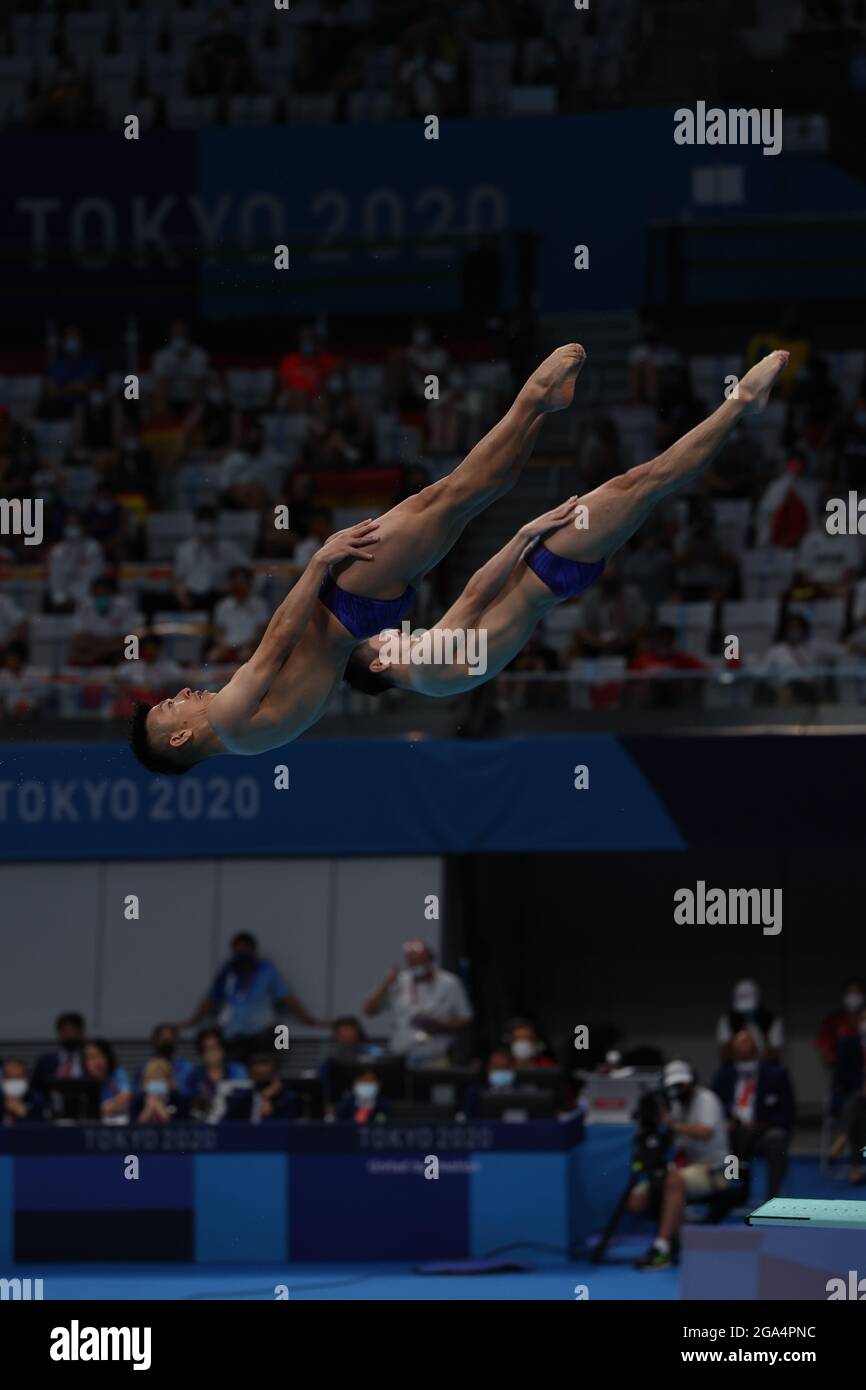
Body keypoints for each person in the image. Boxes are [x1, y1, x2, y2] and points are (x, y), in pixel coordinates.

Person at [130, 345, 586, 772]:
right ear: (179, 738)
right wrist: (318, 564)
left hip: (361, 617)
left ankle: (540, 411)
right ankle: (534, 397)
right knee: (449, 497)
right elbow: (277, 643)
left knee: (460, 504)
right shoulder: (229, 716)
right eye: (172, 706)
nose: (183, 693)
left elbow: (315, 671)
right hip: (346, 601)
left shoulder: (256, 742)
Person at [344, 352, 789, 700]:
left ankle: (542, 405)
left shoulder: (435, 680)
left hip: (554, 579)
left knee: (645, 485)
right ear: (381, 665)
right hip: (547, 567)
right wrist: (524, 536)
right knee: (646, 481)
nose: (388, 631)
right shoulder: (424, 667)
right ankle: (741, 403)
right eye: (380, 639)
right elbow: (475, 594)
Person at [629, 1060, 729, 1271]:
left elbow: (705, 1132)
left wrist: (672, 1124)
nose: (678, 1089)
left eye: (682, 1084)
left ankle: (662, 1248)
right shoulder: (674, 1105)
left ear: (691, 1082)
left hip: (716, 1169)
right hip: (687, 1167)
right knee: (637, 1200)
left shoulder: (707, 1099)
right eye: (674, 1085)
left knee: (673, 1181)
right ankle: (679, 1236)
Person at [180, 931, 320, 1063]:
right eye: (238, 950)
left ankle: (277, 1074)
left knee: (282, 1033)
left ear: (253, 950)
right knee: (212, 1041)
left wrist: (310, 1021)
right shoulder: (228, 971)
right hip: (233, 1035)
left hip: (262, 1031)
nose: (241, 953)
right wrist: (191, 1022)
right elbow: (210, 1000)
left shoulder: (266, 969)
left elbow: (288, 998)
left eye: (245, 949)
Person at [712, 1030, 795, 1200]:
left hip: (763, 1131)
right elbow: (713, 1107)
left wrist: (761, 1124)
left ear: (757, 1050)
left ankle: (773, 1198)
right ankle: (734, 1191)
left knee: (777, 1138)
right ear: (732, 1053)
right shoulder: (723, 1076)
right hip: (733, 1132)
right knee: (729, 1136)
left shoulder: (776, 1074)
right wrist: (724, 1122)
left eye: (747, 1047)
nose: (742, 1052)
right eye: (738, 1049)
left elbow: (788, 1112)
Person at [363, 941, 473, 1066]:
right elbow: (369, 1010)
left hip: (436, 1053)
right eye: (412, 961)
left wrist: (441, 1024)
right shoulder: (398, 981)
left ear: (430, 959)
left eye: (421, 960)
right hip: (402, 1052)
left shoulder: (450, 983)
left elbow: (465, 1017)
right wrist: (386, 983)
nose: (417, 965)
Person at [172, 506, 250, 615]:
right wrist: (182, 599)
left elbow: (245, 569)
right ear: (195, 524)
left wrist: (233, 587)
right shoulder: (185, 550)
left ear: (215, 524)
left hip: (220, 598)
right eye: (202, 522)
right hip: (192, 597)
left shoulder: (228, 548)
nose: (206, 526)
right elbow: (178, 580)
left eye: (209, 522)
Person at [208, 567, 269, 664]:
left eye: (242, 583)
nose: (239, 586)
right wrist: (222, 645)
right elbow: (219, 631)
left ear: (249, 584)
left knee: (244, 655)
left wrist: (250, 645)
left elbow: (260, 631)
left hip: (249, 646)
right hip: (227, 646)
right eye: (236, 583)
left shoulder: (259, 605)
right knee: (213, 656)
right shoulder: (223, 606)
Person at [186, 1027, 248, 1121]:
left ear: (223, 1050)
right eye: (207, 1049)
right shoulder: (193, 1076)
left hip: (233, 1123)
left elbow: (242, 1097)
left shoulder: (237, 1070)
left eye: (215, 1047)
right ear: (201, 1053)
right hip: (203, 1125)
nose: (212, 1052)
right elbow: (188, 1102)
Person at [716, 978, 784, 1062]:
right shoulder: (727, 1020)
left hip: (764, 1066)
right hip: (735, 1066)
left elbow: (776, 1050)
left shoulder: (771, 1020)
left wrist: (756, 1061)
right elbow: (724, 1051)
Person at [223, 1053, 301, 1122]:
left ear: (276, 1075)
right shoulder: (241, 1099)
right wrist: (262, 1098)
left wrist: (271, 1113)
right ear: (250, 1076)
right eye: (258, 1075)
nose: (262, 1080)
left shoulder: (289, 1099)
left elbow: (290, 1130)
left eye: (266, 1075)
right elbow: (227, 1126)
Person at [31, 1011, 87, 1095]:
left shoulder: (88, 1058)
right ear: (59, 1033)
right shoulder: (46, 1061)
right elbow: (36, 1089)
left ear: (80, 1032)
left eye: (72, 1030)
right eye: (65, 1030)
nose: (69, 1035)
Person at [83, 1039, 132, 1121]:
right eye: (90, 1058)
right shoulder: (81, 1078)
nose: (96, 1062)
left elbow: (126, 1096)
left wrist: (103, 1109)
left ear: (108, 1057)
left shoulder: (118, 1074)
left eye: (99, 1056)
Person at [132, 1058, 190, 1124]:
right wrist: (147, 1110)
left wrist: (162, 1111)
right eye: (151, 1078)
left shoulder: (179, 1100)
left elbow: (184, 1127)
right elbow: (130, 1127)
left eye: (159, 1077)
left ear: (169, 1081)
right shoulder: (137, 1100)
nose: (155, 1082)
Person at [2, 1058, 35, 1124]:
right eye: (9, 1077)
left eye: (18, 1077)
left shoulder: (37, 1101)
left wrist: (24, 1114)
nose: (14, 1083)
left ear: (27, 1079)